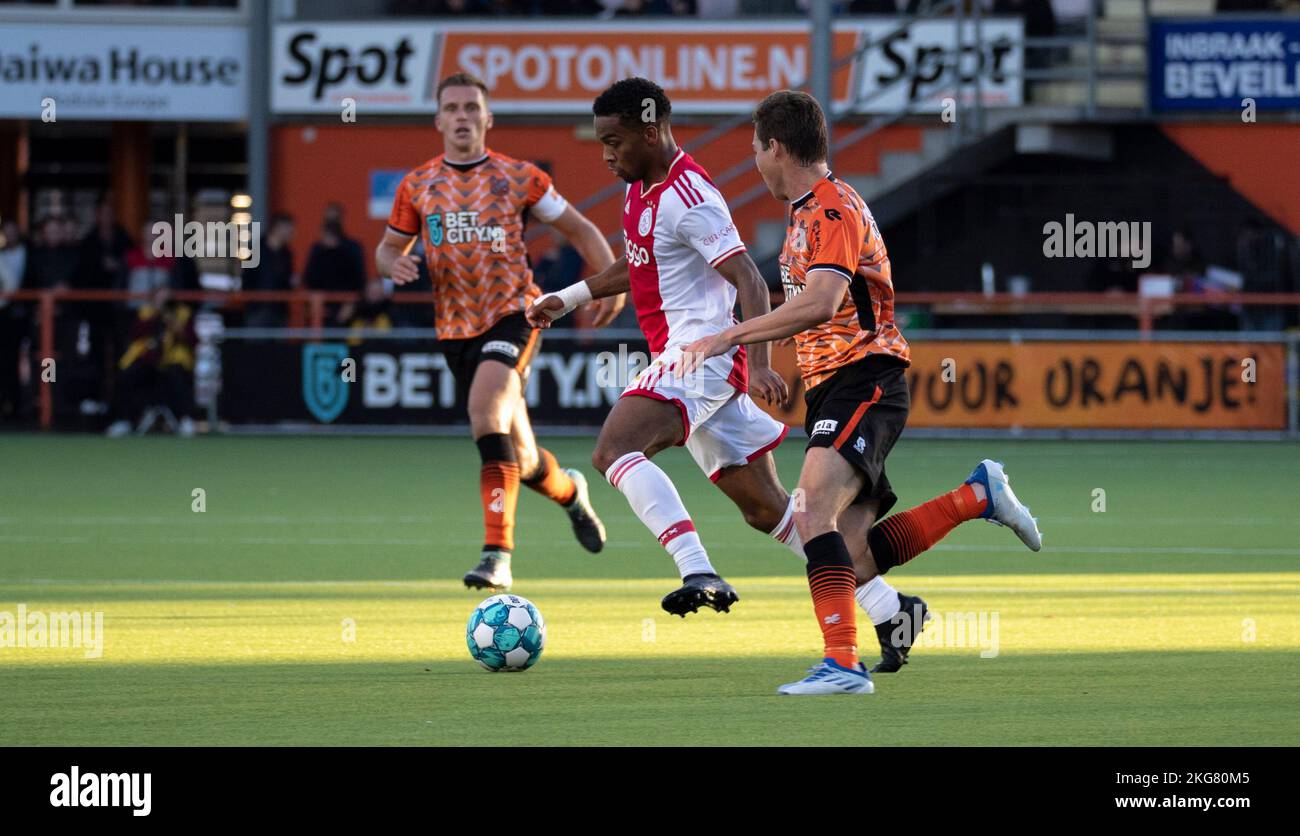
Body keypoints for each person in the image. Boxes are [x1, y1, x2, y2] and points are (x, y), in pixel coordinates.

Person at [531, 79, 941, 669]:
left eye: (614, 140)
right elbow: (639, 263)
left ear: (652, 131)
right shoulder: (639, 191)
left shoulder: (691, 194)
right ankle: (889, 609)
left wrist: (752, 367)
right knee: (773, 511)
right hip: (693, 357)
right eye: (601, 142)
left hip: (702, 355)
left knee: (614, 449)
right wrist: (566, 297)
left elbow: (748, 277)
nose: (606, 153)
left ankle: (699, 570)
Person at [682, 90, 1043, 694]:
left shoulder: (832, 209)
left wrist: (732, 337)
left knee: (807, 511)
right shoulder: (804, 213)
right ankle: (976, 497)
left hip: (865, 380)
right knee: (849, 560)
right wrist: (763, 357)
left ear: (776, 147)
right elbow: (809, 307)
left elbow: (821, 302)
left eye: (755, 148)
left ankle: (841, 665)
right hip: (833, 390)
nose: (753, 162)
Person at [375, 72, 618, 591]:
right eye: (452, 108)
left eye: (472, 108)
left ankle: (497, 555)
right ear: (438, 120)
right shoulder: (417, 186)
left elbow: (579, 229)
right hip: (455, 329)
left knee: (485, 412)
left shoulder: (519, 177)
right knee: (523, 457)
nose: (462, 116)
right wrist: (391, 263)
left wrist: (608, 286)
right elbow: (387, 248)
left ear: (488, 118)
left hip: (516, 313)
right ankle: (571, 492)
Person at [242, 213, 296, 329]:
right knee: (256, 345)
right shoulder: (256, 249)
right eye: (289, 230)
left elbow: (287, 280)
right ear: (278, 228)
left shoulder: (286, 254)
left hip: (279, 311)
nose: (292, 234)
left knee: (279, 346)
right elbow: (247, 280)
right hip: (257, 310)